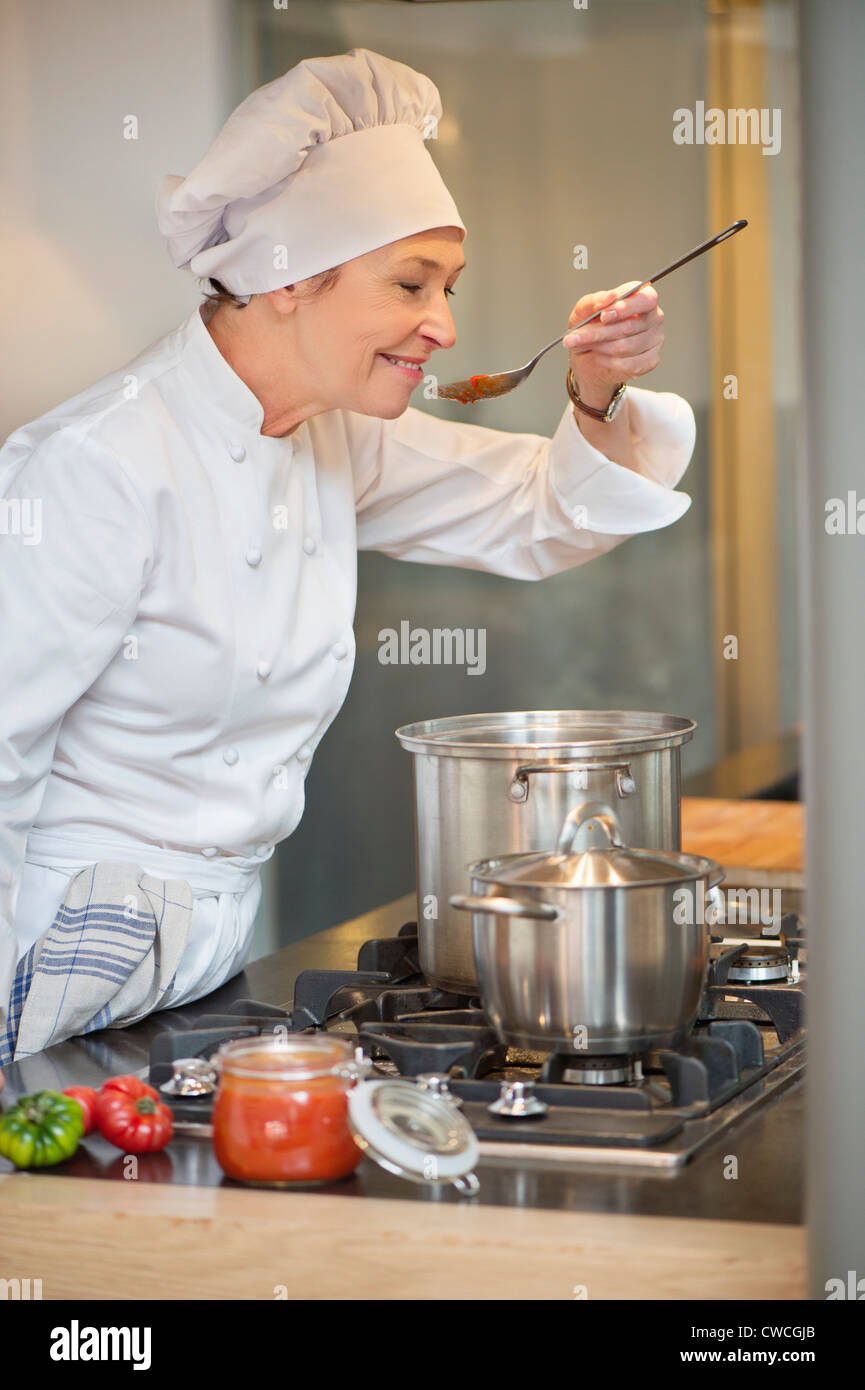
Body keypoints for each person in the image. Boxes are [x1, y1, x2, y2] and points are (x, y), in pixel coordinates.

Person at [0, 48, 694, 1066]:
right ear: (288, 277)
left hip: (201, 959)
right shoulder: (96, 465)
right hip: (52, 956)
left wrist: (595, 389)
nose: (443, 326)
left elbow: (540, 513)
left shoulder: (334, 434)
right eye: (411, 283)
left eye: (448, 286)